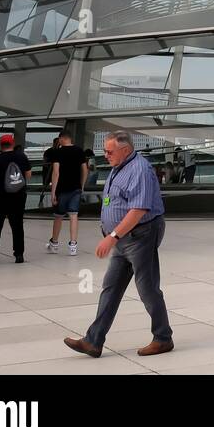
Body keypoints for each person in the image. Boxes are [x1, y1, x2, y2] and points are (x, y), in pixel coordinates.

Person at [64, 131, 173, 359]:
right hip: (124, 238)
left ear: (125, 150)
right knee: (110, 287)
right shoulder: (119, 166)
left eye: (109, 151)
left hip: (140, 235)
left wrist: (111, 236)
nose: (105, 155)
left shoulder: (140, 170)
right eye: (104, 151)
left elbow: (138, 210)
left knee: (147, 288)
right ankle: (93, 341)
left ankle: (163, 338)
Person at [0, 134, 31, 263]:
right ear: (12, 144)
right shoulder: (22, 157)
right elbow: (28, 174)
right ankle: (19, 254)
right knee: (17, 227)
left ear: (1, 145)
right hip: (18, 198)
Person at [46, 130, 89, 256]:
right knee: (73, 215)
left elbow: (56, 173)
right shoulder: (79, 151)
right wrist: (81, 185)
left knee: (58, 216)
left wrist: (53, 192)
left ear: (61, 139)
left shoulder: (57, 152)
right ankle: (73, 245)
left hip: (62, 189)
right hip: (76, 188)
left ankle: (54, 243)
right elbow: (85, 170)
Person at [39, 138, 60, 208]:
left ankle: (56, 200)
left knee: (57, 186)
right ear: (54, 143)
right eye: (57, 142)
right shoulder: (48, 151)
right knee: (45, 185)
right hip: (47, 172)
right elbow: (45, 162)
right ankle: (41, 200)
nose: (58, 144)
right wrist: (50, 167)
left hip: (54, 171)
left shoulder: (59, 151)